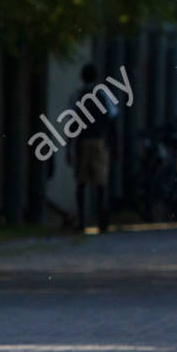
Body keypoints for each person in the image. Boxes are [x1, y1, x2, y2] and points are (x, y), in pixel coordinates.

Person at [66, 63, 117, 233]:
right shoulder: (103, 94)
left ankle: (81, 221)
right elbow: (112, 121)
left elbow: (72, 123)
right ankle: (103, 221)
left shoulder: (77, 95)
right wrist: (114, 145)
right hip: (100, 142)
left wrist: (69, 147)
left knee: (81, 183)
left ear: (82, 77)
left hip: (83, 142)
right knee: (101, 183)